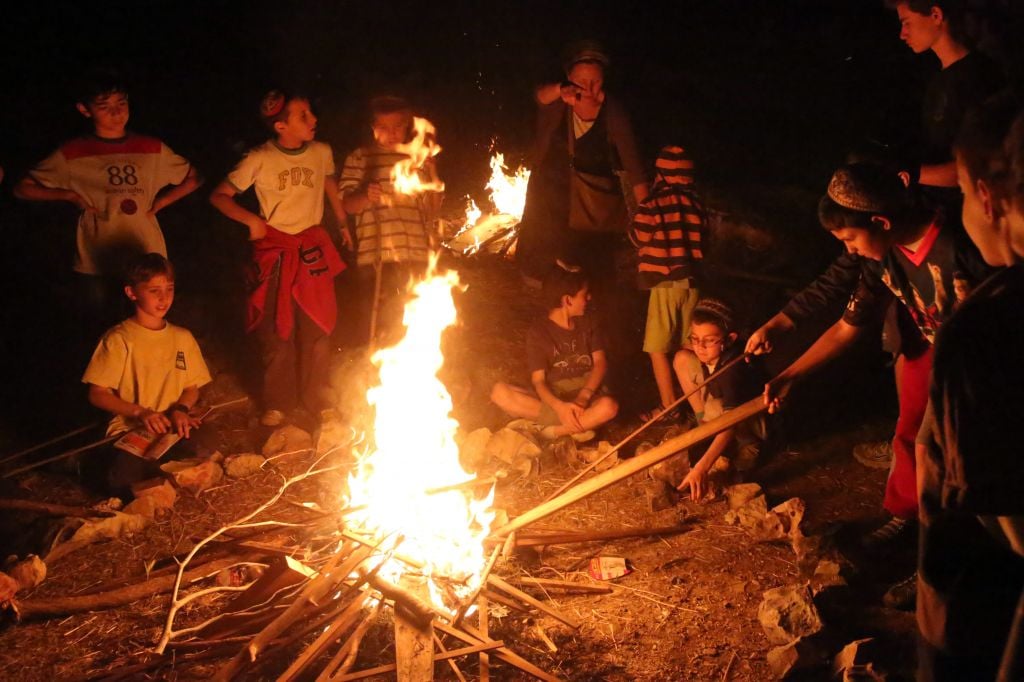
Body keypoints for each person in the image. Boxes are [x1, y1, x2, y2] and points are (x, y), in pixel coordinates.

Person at [763, 162, 990, 607]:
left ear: (881, 221)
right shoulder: (884, 256)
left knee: (964, 474)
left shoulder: (961, 245)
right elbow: (847, 328)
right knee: (926, 455)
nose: (849, 250)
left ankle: (957, 578)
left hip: (988, 377)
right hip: (951, 371)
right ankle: (935, 570)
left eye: (850, 239)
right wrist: (790, 374)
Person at [915, 94, 1024, 681]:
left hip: (982, 611)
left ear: (985, 195)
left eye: (959, 190)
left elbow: (1008, 527)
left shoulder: (986, 327)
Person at [13, 69, 202, 341]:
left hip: (145, 252)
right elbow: (23, 187)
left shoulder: (150, 147)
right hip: (96, 258)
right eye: (104, 106)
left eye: (121, 103)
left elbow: (194, 177)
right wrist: (68, 196)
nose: (116, 112)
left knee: (147, 327)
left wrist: (162, 201)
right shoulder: (73, 152)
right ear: (85, 109)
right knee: (100, 330)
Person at [209, 89, 348, 427]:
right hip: (276, 250)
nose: (313, 119)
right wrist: (252, 221)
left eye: (310, 112)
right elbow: (220, 196)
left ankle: (317, 398)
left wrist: (343, 222)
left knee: (318, 327)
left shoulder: (321, 151)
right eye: (303, 116)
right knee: (275, 330)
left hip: (311, 248)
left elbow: (328, 182)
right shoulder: (259, 158)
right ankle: (278, 402)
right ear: (281, 126)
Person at [515, 40, 647, 284]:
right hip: (549, 194)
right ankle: (546, 291)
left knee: (589, 268)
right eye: (581, 81)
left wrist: (645, 212)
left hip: (589, 201)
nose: (588, 87)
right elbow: (539, 96)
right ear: (569, 77)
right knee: (544, 258)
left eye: (595, 80)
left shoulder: (612, 111)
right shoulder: (559, 101)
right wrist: (560, 90)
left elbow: (634, 166)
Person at [82, 254, 212, 497]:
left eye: (169, 288)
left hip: (171, 426)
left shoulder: (182, 337)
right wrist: (140, 413)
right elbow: (97, 393)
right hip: (132, 429)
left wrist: (181, 409)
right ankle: (93, 464)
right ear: (132, 293)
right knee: (120, 483)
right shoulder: (119, 338)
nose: (164, 298)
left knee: (206, 445)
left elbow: (191, 388)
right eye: (154, 290)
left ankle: (160, 472)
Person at [339, 95, 441, 345]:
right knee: (379, 326)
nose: (391, 133)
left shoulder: (415, 159)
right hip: (377, 257)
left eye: (397, 126)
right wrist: (366, 196)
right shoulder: (361, 158)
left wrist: (432, 172)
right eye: (383, 127)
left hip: (414, 253)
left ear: (406, 126)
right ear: (373, 128)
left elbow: (432, 209)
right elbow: (347, 205)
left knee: (414, 324)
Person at [490, 264, 619, 442]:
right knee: (499, 392)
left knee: (609, 407)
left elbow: (600, 363)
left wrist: (583, 398)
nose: (589, 298)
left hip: (587, 395)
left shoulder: (588, 322)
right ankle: (579, 426)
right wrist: (560, 408)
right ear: (568, 300)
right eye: (584, 294)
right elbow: (539, 381)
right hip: (554, 397)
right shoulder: (539, 332)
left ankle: (550, 431)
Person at [630, 145, 706, 421]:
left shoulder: (654, 203)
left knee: (657, 348)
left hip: (665, 284)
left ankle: (669, 406)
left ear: (661, 174)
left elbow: (639, 236)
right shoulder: (696, 204)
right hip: (692, 284)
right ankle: (700, 402)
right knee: (689, 346)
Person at [671, 299, 766, 502]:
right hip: (720, 397)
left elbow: (730, 422)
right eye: (695, 338)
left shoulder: (732, 371)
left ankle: (748, 449)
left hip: (752, 420)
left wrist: (702, 467)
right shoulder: (710, 350)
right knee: (682, 358)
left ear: (729, 340)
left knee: (717, 409)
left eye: (709, 340)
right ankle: (704, 426)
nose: (700, 347)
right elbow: (697, 343)